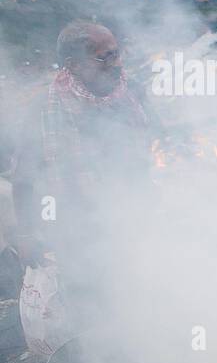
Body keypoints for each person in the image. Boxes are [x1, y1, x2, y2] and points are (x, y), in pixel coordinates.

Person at [12, 22, 157, 328]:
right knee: (93, 306)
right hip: (76, 228)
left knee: (141, 294)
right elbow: (24, 177)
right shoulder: (44, 110)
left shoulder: (129, 93)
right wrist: (26, 234)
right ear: (73, 65)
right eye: (104, 58)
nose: (116, 64)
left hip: (132, 216)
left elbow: (146, 152)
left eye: (117, 54)